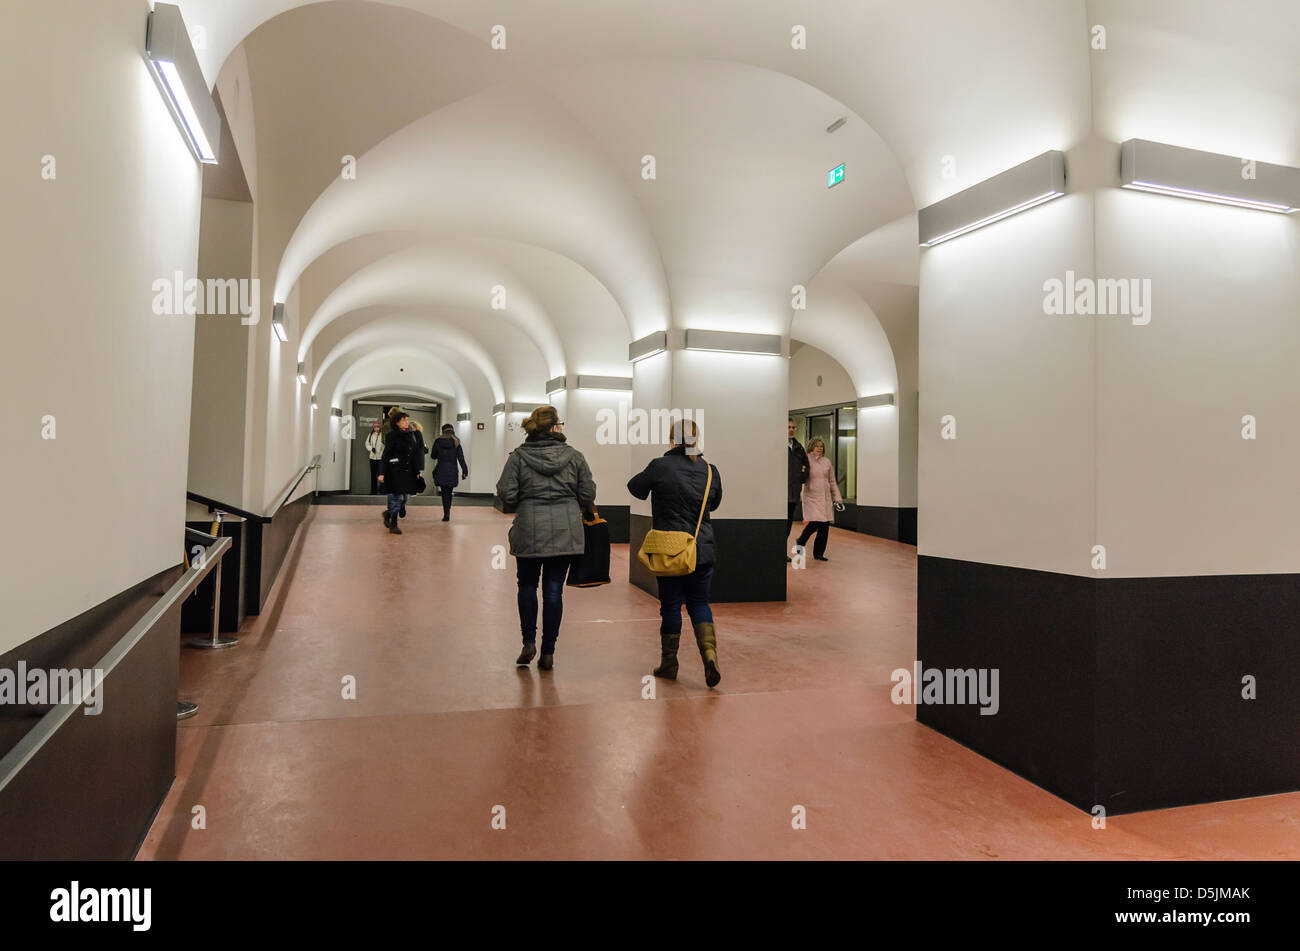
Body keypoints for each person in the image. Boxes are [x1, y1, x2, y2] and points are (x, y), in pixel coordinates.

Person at [496, 406, 595, 670]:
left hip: (529, 528)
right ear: (553, 427)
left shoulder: (518, 457)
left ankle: (528, 642)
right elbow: (587, 494)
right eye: (559, 423)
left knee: (527, 585)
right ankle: (548, 652)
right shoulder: (575, 457)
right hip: (565, 531)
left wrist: (526, 499)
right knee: (553, 590)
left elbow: (506, 493)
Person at [627, 418, 723, 688]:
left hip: (670, 550)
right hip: (701, 548)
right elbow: (714, 503)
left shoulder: (660, 466)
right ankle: (710, 655)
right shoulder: (710, 470)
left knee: (670, 606)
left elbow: (635, 488)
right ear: (696, 440)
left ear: (672, 440)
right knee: (700, 604)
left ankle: (669, 663)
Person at [794, 437, 843, 562]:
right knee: (815, 522)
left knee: (824, 526)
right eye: (817, 446)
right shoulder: (806, 460)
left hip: (825, 498)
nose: (819, 448)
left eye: (821, 446)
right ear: (811, 447)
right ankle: (801, 540)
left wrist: (837, 498)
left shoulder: (827, 462)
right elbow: (802, 477)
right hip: (812, 497)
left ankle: (819, 553)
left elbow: (832, 481)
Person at [377, 412, 423, 535]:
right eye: (404, 420)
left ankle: (388, 514)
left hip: (408, 471)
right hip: (395, 471)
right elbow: (386, 455)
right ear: (397, 422)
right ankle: (394, 524)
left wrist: (417, 471)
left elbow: (413, 455)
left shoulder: (411, 435)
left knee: (404, 498)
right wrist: (381, 473)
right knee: (397, 498)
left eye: (407, 420)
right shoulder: (392, 436)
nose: (407, 422)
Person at [430, 423, 469, 521]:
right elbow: (461, 458)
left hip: (441, 469)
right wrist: (465, 471)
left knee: (444, 492)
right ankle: (447, 512)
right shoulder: (456, 442)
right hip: (452, 470)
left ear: (443, 431)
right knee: (449, 492)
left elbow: (433, 456)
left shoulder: (438, 441)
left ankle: (446, 512)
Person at [786, 418, 809, 563]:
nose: (791, 430)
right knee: (780, 525)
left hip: (793, 493)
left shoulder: (799, 448)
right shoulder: (777, 446)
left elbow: (807, 465)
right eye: (788, 427)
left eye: (793, 427)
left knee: (788, 524)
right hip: (780, 494)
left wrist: (802, 477)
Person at [364, 419, 384, 495]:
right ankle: (373, 491)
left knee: (381, 474)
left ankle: (381, 491)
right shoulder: (371, 435)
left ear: (380, 427)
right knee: (373, 475)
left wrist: (382, 452)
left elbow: (385, 445)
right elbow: (367, 444)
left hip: (380, 458)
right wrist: (371, 449)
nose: (376, 428)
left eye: (378, 427)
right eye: (375, 427)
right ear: (373, 427)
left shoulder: (382, 435)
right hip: (372, 457)